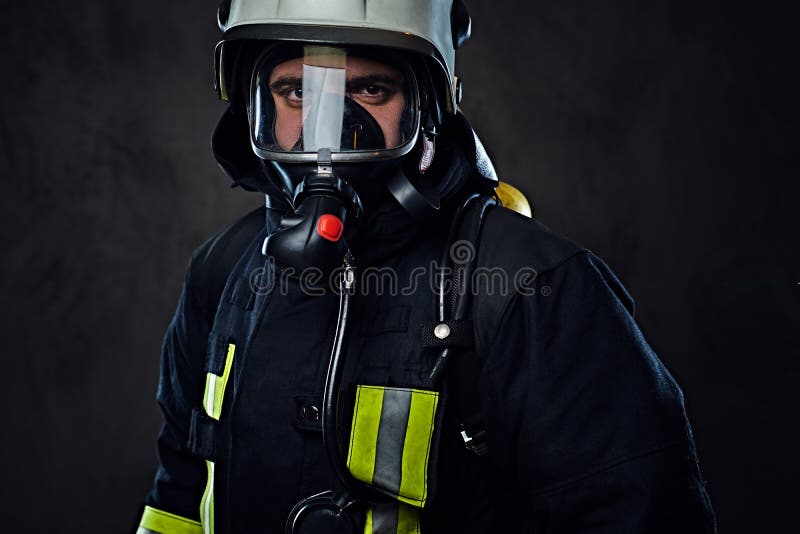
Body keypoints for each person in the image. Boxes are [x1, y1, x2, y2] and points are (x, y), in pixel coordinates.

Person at [137, 1, 717, 533]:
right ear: (252, 108)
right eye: (294, 91)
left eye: (367, 89)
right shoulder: (223, 272)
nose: (327, 129)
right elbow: (180, 492)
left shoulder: (532, 289)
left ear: (430, 108)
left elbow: (638, 513)